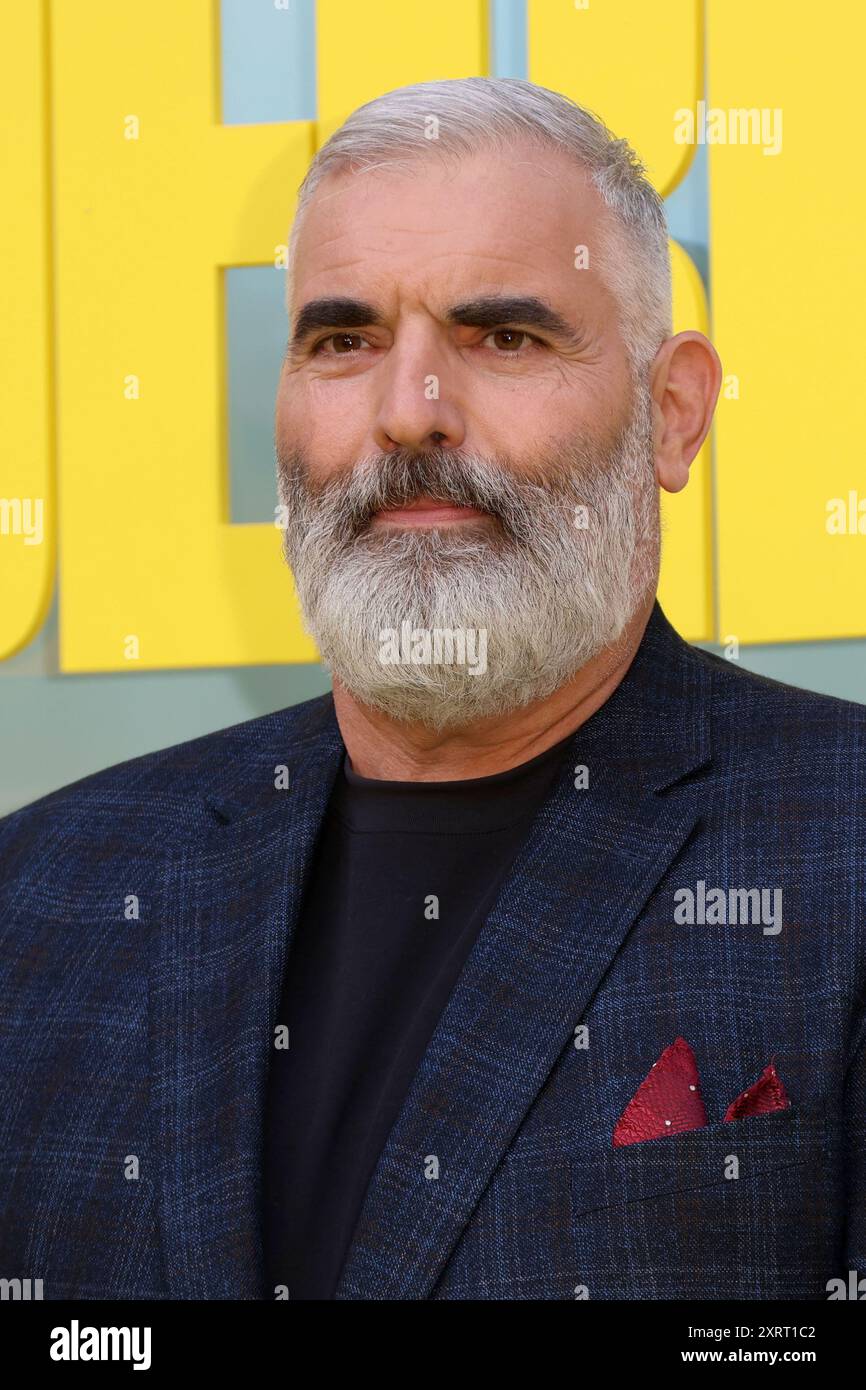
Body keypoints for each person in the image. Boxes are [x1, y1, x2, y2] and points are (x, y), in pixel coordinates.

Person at [1, 77, 863, 1301]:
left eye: (501, 336)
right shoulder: (37, 897)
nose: (409, 413)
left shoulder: (843, 848)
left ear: (671, 414)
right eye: (343, 340)